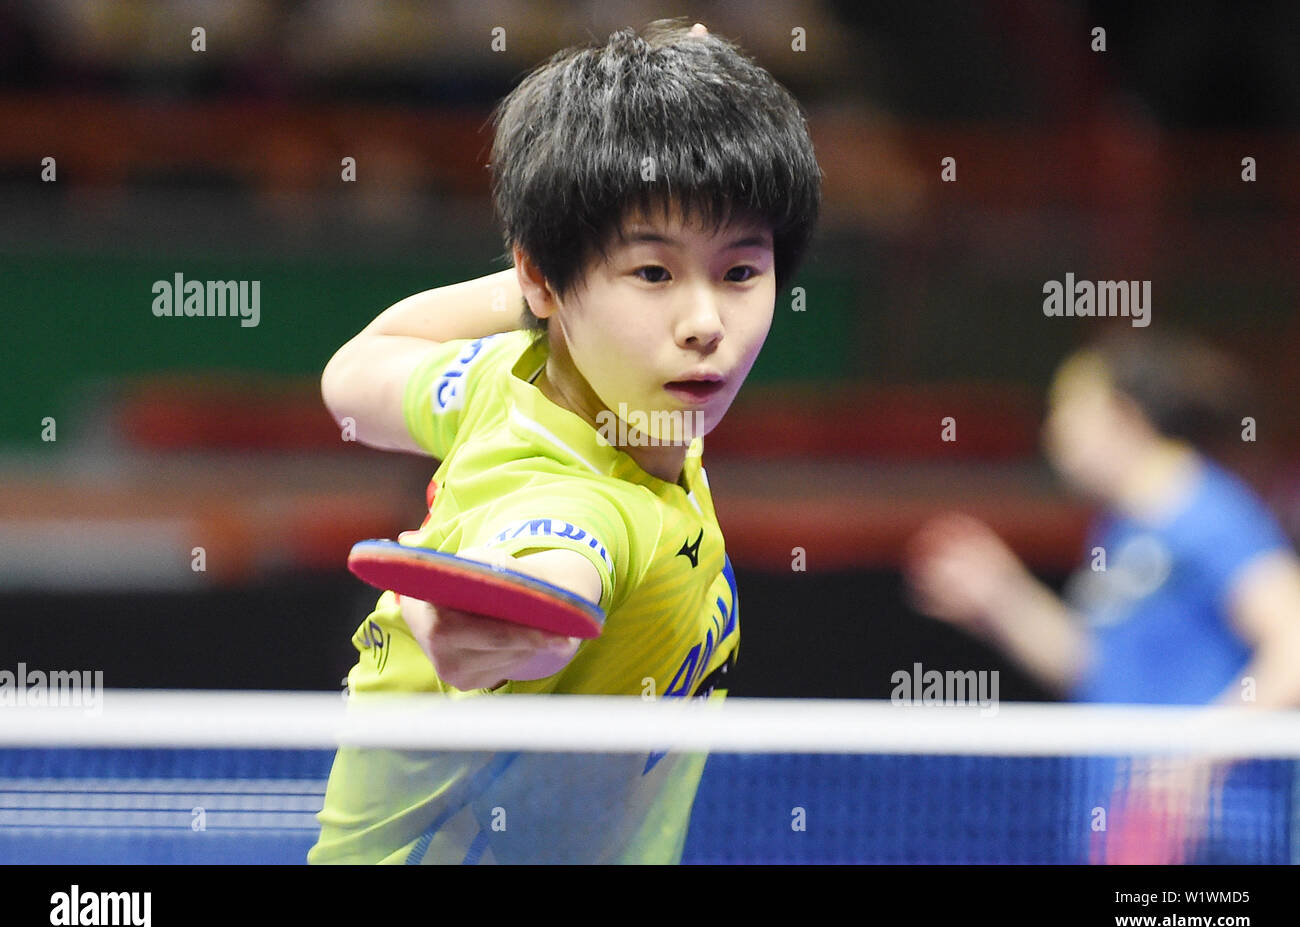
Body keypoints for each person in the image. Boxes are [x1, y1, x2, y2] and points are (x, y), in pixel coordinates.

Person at [308, 20, 821, 863]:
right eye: (653, 272)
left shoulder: (509, 376)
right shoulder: (581, 503)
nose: (705, 326)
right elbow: (548, 555)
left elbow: (354, 374)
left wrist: (553, 280)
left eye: (739, 272)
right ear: (544, 277)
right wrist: (498, 614)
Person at [905, 331, 1300, 862]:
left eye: (1069, 411)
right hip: (1130, 825)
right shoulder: (1121, 531)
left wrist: (1196, 755)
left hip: (1218, 837)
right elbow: (1095, 667)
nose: (1054, 431)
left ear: (1123, 417)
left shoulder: (1208, 513)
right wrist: (1002, 599)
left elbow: (1293, 646)